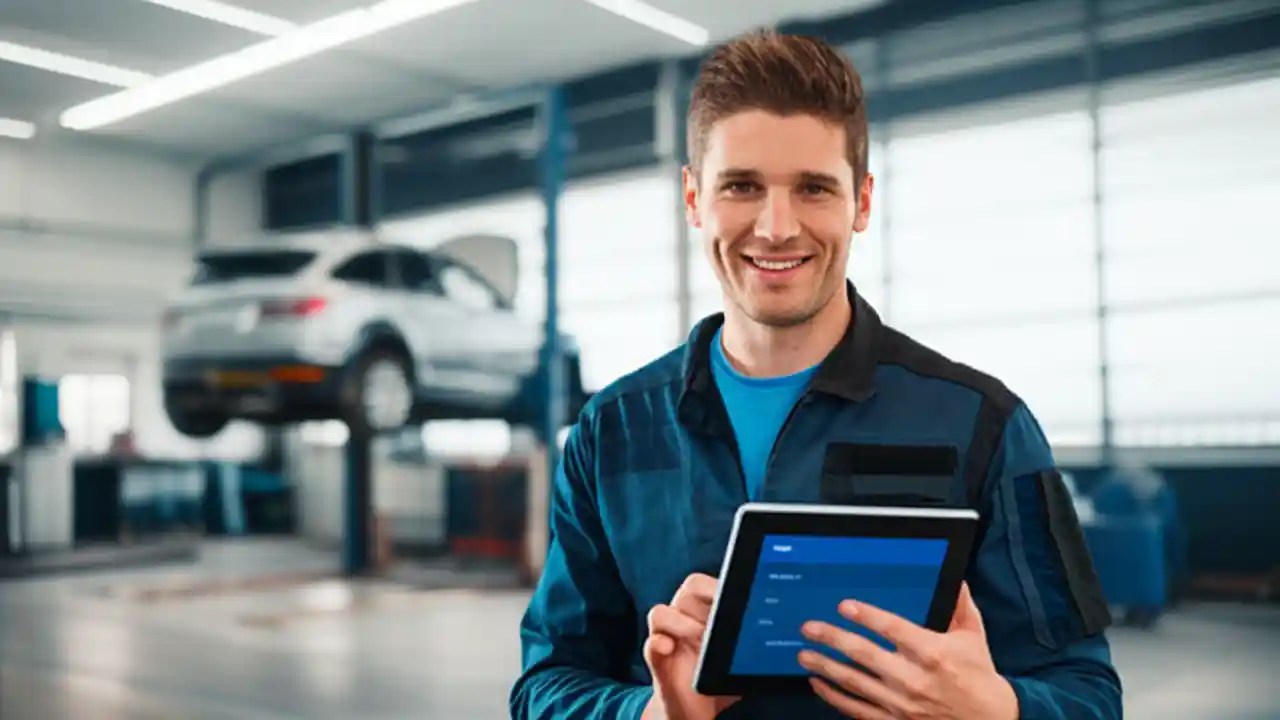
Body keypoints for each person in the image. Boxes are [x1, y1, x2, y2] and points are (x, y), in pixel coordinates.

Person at [510, 29, 1121, 720]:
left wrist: (995, 710)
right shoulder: (611, 433)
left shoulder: (983, 424)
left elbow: (1088, 693)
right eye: (741, 186)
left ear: (862, 201)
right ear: (693, 197)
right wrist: (651, 715)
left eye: (813, 188)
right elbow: (545, 683)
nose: (776, 227)